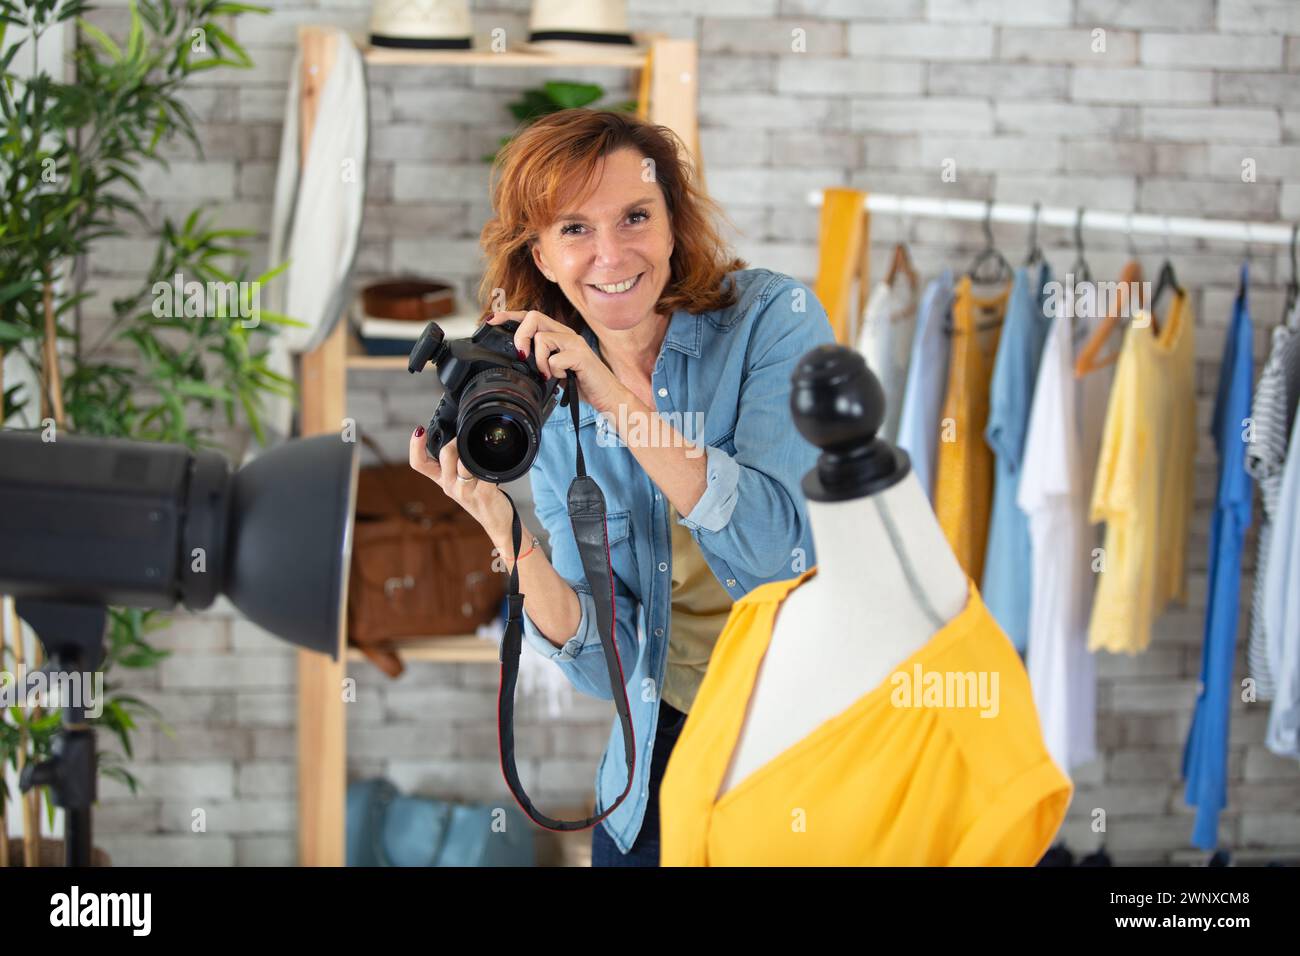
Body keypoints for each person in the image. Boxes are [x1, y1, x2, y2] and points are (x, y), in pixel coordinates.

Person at [408, 108, 836, 865]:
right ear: (538, 255)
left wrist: (612, 395)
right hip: (655, 772)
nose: (610, 254)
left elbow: (778, 552)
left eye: (635, 216)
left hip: (799, 755)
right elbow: (610, 666)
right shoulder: (547, 397)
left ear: (674, 223)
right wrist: (507, 535)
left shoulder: (775, 319)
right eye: (573, 229)